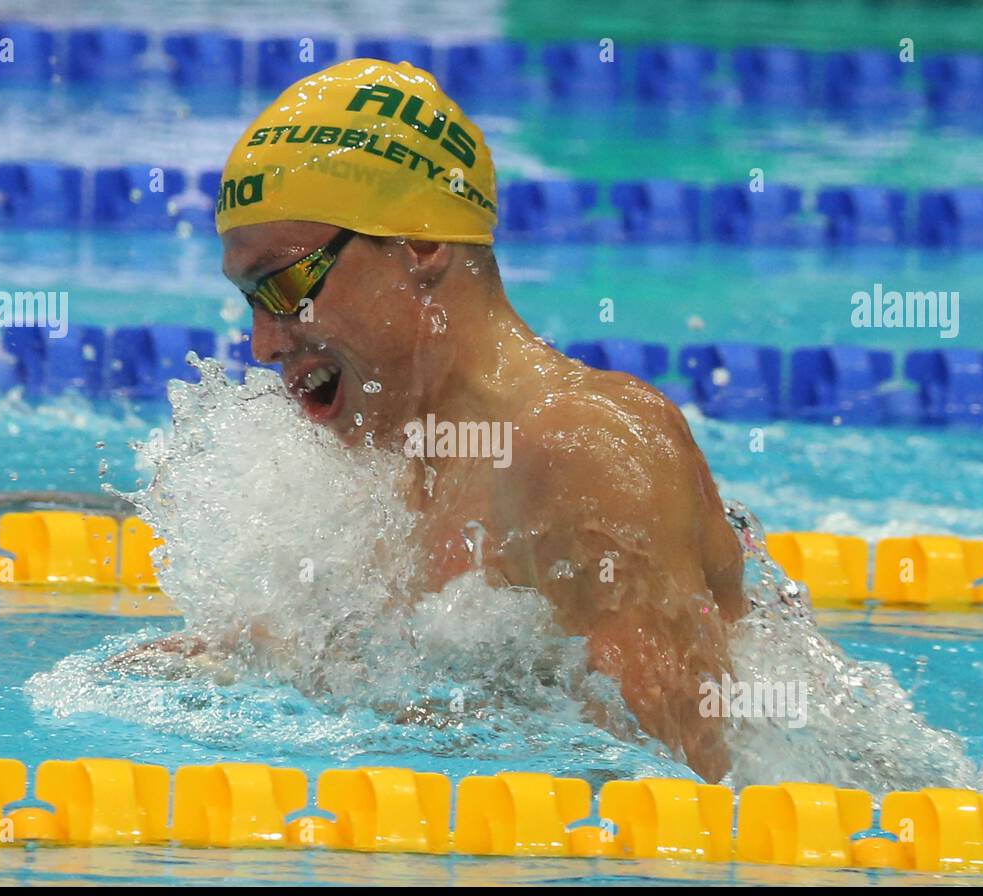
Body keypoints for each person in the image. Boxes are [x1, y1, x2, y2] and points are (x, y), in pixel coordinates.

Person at [211, 59, 746, 782]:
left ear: (421, 244)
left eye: (286, 284)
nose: (266, 343)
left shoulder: (579, 450)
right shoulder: (396, 459)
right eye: (251, 302)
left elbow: (686, 802)